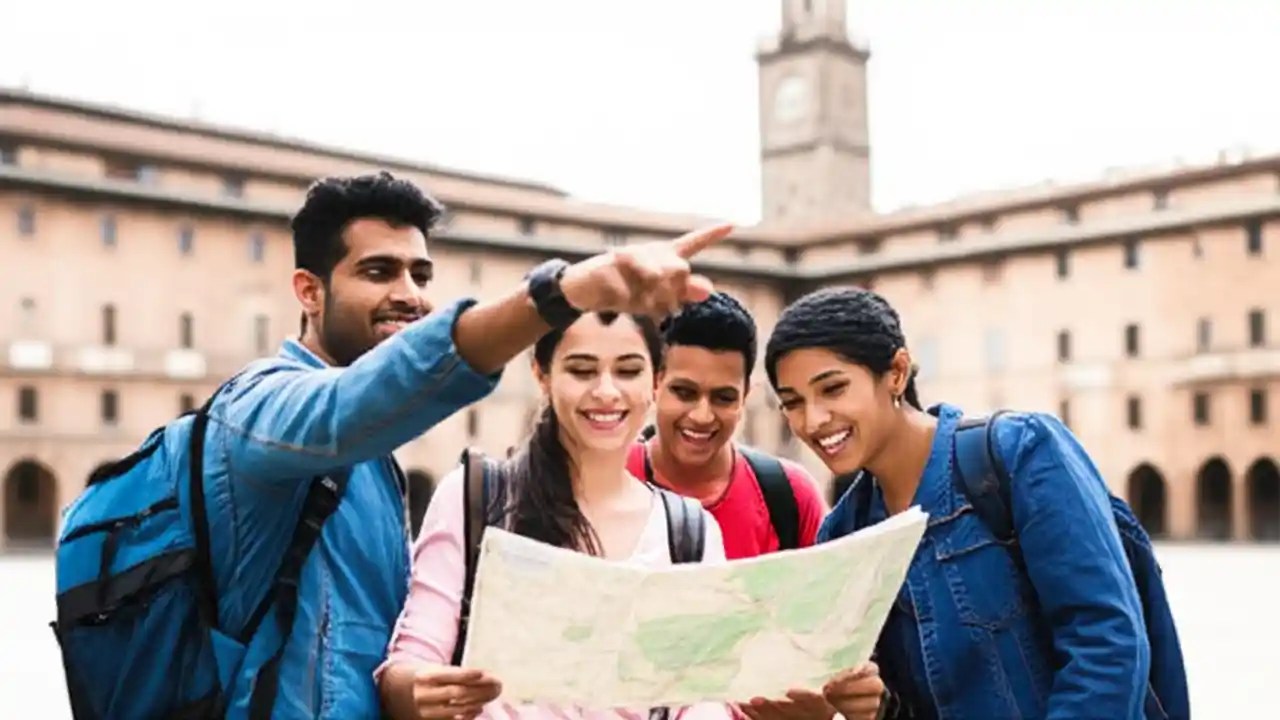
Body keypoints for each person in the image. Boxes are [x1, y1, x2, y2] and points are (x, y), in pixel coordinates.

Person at [196, 171, 734, 718]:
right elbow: (359, 401)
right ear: (310, 291)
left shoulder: (378, 457)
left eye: (421, 275)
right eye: (379, 271)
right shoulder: (260, 408)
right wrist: (561, 294)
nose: (409, 295)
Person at [762, 286, 1154, 720]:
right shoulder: (842, 535)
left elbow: (1107, 645)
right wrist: (873, 708)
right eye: (792, 403)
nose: (813, 420)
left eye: (833, 389)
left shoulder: (1018, 453)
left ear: (896, 371)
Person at [376, 310, 733, 720]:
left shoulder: (689, 533)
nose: (606, 391)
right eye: (582, 370)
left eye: (628, 371)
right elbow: (411, 661)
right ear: (541, 374)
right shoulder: (476, 497)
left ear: (655, 382)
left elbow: (707, 692)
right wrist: (424, 689)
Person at [627, 291, 827, 559]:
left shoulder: (790, 497)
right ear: (654, 383)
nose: (702, 416)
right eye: (684, 392)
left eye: (723, 398)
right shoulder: (604, 480)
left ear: (746, 395)